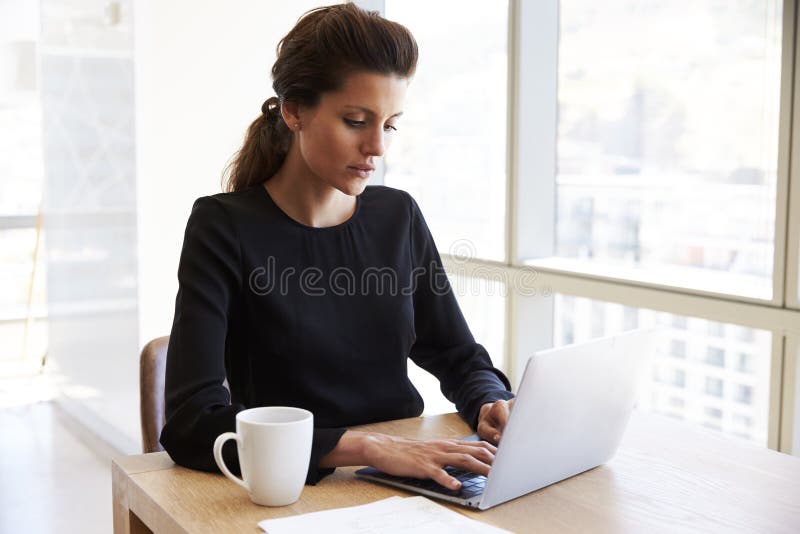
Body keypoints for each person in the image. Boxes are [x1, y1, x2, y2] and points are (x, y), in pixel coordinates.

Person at [160, 3, 515, 492]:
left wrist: (490, 402)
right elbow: (189, 422)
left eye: (389, 125)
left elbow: (457, 355)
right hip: (298, 489)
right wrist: (365, 447)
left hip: (414, 478)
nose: (377, 147)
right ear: (294, 110)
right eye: (355, 121)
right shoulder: (222, 227)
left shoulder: (398, 216)